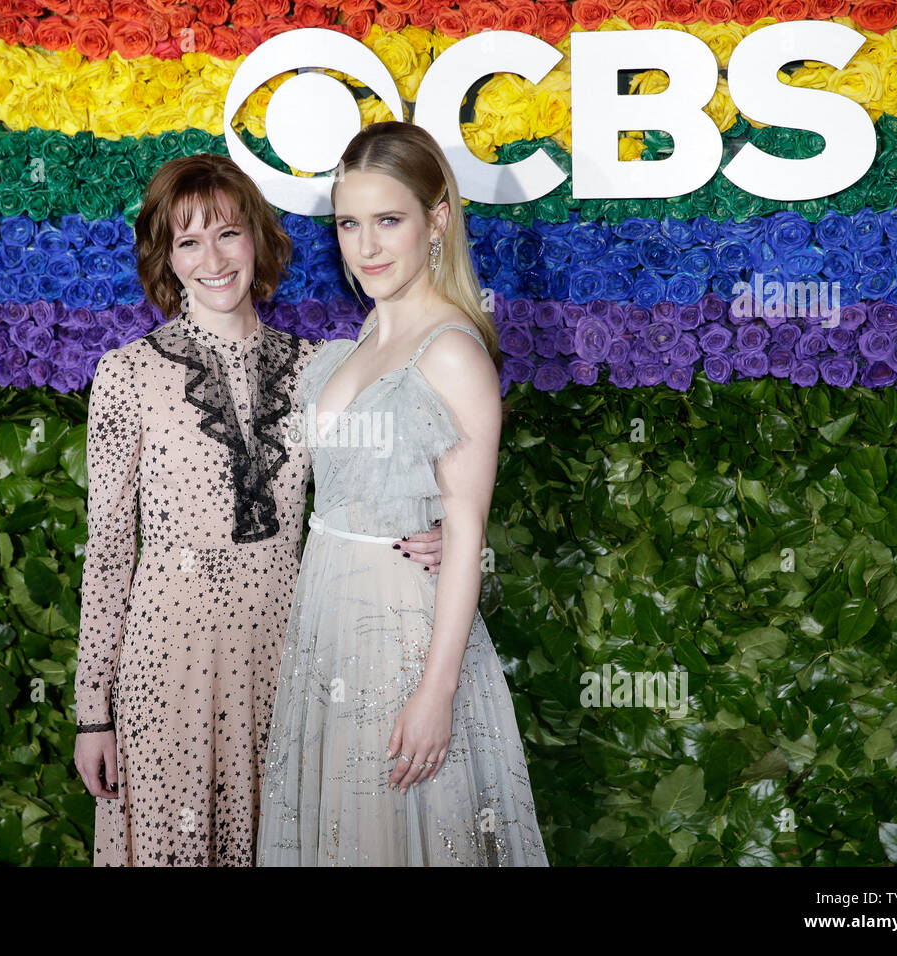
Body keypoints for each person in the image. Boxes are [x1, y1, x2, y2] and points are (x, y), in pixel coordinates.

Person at [71, 154, 445, 866]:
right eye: (188, 241)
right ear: (166, 257)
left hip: (290, 647)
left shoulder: (321, 367)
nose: (212, 258)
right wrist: (95, 712)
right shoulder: (126, 374)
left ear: (258, 241)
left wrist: (444, 529)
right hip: (165, 660)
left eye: (228, 234)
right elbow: (111, 549)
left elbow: (381, 484)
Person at [257, 122, 549, 866]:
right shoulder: (368, 330)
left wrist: (435, 694)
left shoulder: (451, 351)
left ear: (437, 219)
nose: (367, 246)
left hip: (403, 638)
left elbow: (466, 530)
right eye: (350, 224)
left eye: (389, 220)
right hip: (327, 621)